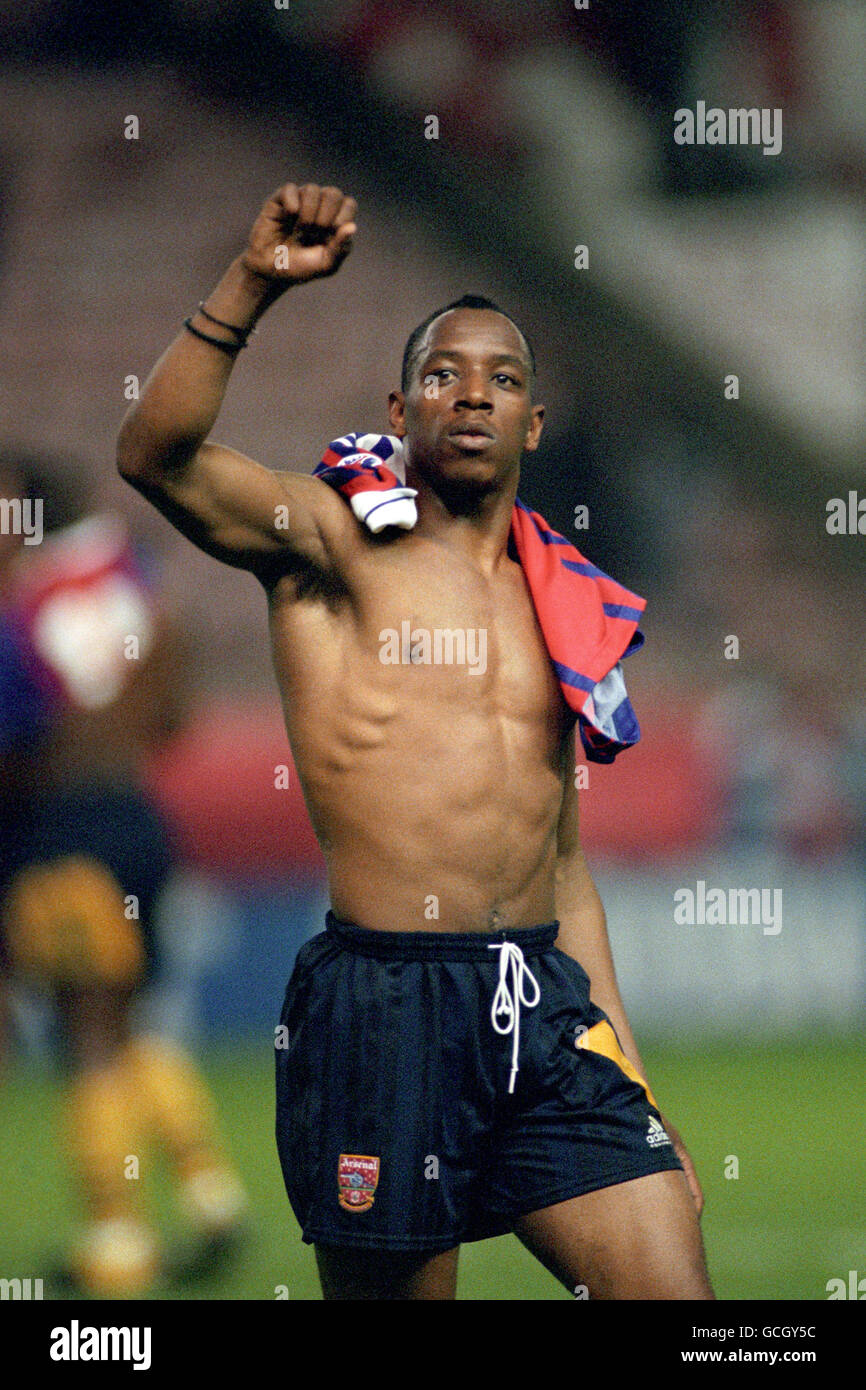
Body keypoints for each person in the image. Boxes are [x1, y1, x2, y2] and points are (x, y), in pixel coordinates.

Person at [117, 181, 714, 1300]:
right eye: (444, 374)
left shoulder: (561, 599)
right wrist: (254, 282)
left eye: (502, 379)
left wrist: (626, 1075)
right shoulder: (330, 546)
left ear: (534, 422)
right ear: (400, 409)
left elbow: (565, 865)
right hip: (382, 1009)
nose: (473, 396)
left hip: (541, 1001)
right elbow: (153, 455)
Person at [0, 456, 247, 1297]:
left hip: (60, 833)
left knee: (88, 1035)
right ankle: (212, 1194)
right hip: (138, 819)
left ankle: (117, 1245)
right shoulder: (120, 578)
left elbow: (20, 744)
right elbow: (173, 703)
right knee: (132, 1017)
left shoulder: (17, 608)